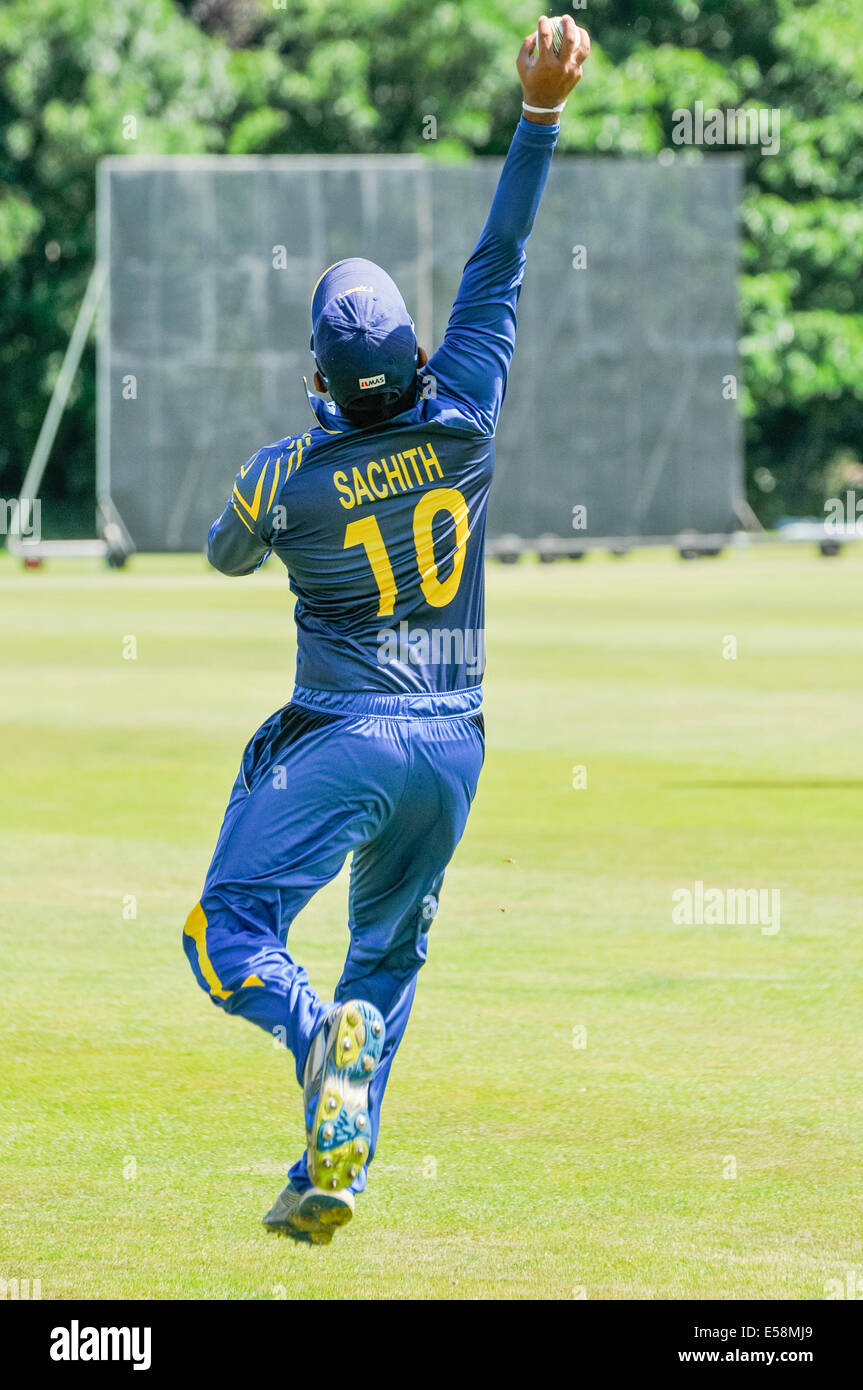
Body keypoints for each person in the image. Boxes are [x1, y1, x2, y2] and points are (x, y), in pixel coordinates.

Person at [183, 15, 591, 1245]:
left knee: (226, 932)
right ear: (415, 355)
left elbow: (222, 551)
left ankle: (315, 1043)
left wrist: (280, 478)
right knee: (385, 959)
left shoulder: (286, 478)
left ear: (318, 377)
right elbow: (502, 255)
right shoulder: (463, 411)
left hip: (349, 738)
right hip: (457, 748)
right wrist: (536, 112)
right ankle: (332, 1170)